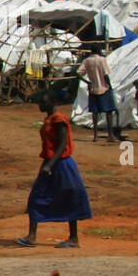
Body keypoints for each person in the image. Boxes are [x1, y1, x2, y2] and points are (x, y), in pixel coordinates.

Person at [16, 95, 91, 249]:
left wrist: (50, 165)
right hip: (51, 162)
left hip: (61, 163)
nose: (40, 105)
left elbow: (63, 144)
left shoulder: (58, 119)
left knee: (70, 197)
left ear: (52, 102)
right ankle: (31, 236)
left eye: (43, 101)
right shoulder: (49, 118)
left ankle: (74, 238)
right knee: (37, 197)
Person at [76, 46, 118, 142]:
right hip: (104, 88)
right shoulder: (102, 60)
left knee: (94, 113)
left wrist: (88, 82)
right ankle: (110, 135)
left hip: (93, 89)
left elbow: (78, 73)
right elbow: (105, 74)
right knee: (109, 112)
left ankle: (95, 135)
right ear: (99, 51)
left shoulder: (86, 61)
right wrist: (109, 85)